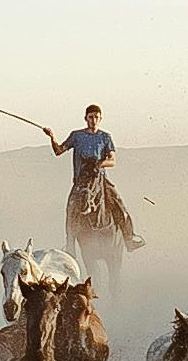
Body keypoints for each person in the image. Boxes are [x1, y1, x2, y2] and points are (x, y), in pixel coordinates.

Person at [44, 105, 144, 252]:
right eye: (91, 117)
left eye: (96, 117)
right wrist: (52, 137)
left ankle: (129, 239)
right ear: (86, 118)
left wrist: (99, 163)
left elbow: (113, 161)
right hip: (81, 182)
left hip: (100, 180)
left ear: (100, 119)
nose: (93, 120)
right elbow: (59, 151)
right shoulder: (76, 136)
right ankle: (70, 246)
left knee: (119, 204)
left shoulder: (105, 137)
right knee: (71, 208)